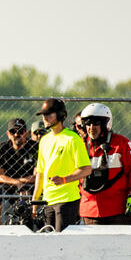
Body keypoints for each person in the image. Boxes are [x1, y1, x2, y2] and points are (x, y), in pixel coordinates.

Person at [76, 104, 131, 225]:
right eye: (88, 123)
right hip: (89, 212)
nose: (91, 127)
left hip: (118, 211)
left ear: (105, 124)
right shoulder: (79, 145)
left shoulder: (121, 143)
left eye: (96, 123)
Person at [31, 98, 91, 231]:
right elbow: (40, 174)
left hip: (67, 201)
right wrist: (34, 203)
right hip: (48, 201)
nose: (44, 118)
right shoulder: (44, 140)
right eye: (43, 115)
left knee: (63, 244)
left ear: (60, 115)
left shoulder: (73, 139)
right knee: (50, 244)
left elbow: (86, 169)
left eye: (48, 114)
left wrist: (64, 180)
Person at [0, 118, 37, 201]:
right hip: (9, 195)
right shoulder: (3, 148)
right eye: (13, 132)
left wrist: (18, 180)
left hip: (33, 194)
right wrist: (17, 183)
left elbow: (37, 176)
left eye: (20, 131)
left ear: (26, 133)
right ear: (8, 134)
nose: (17, 134)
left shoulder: (35, 147)